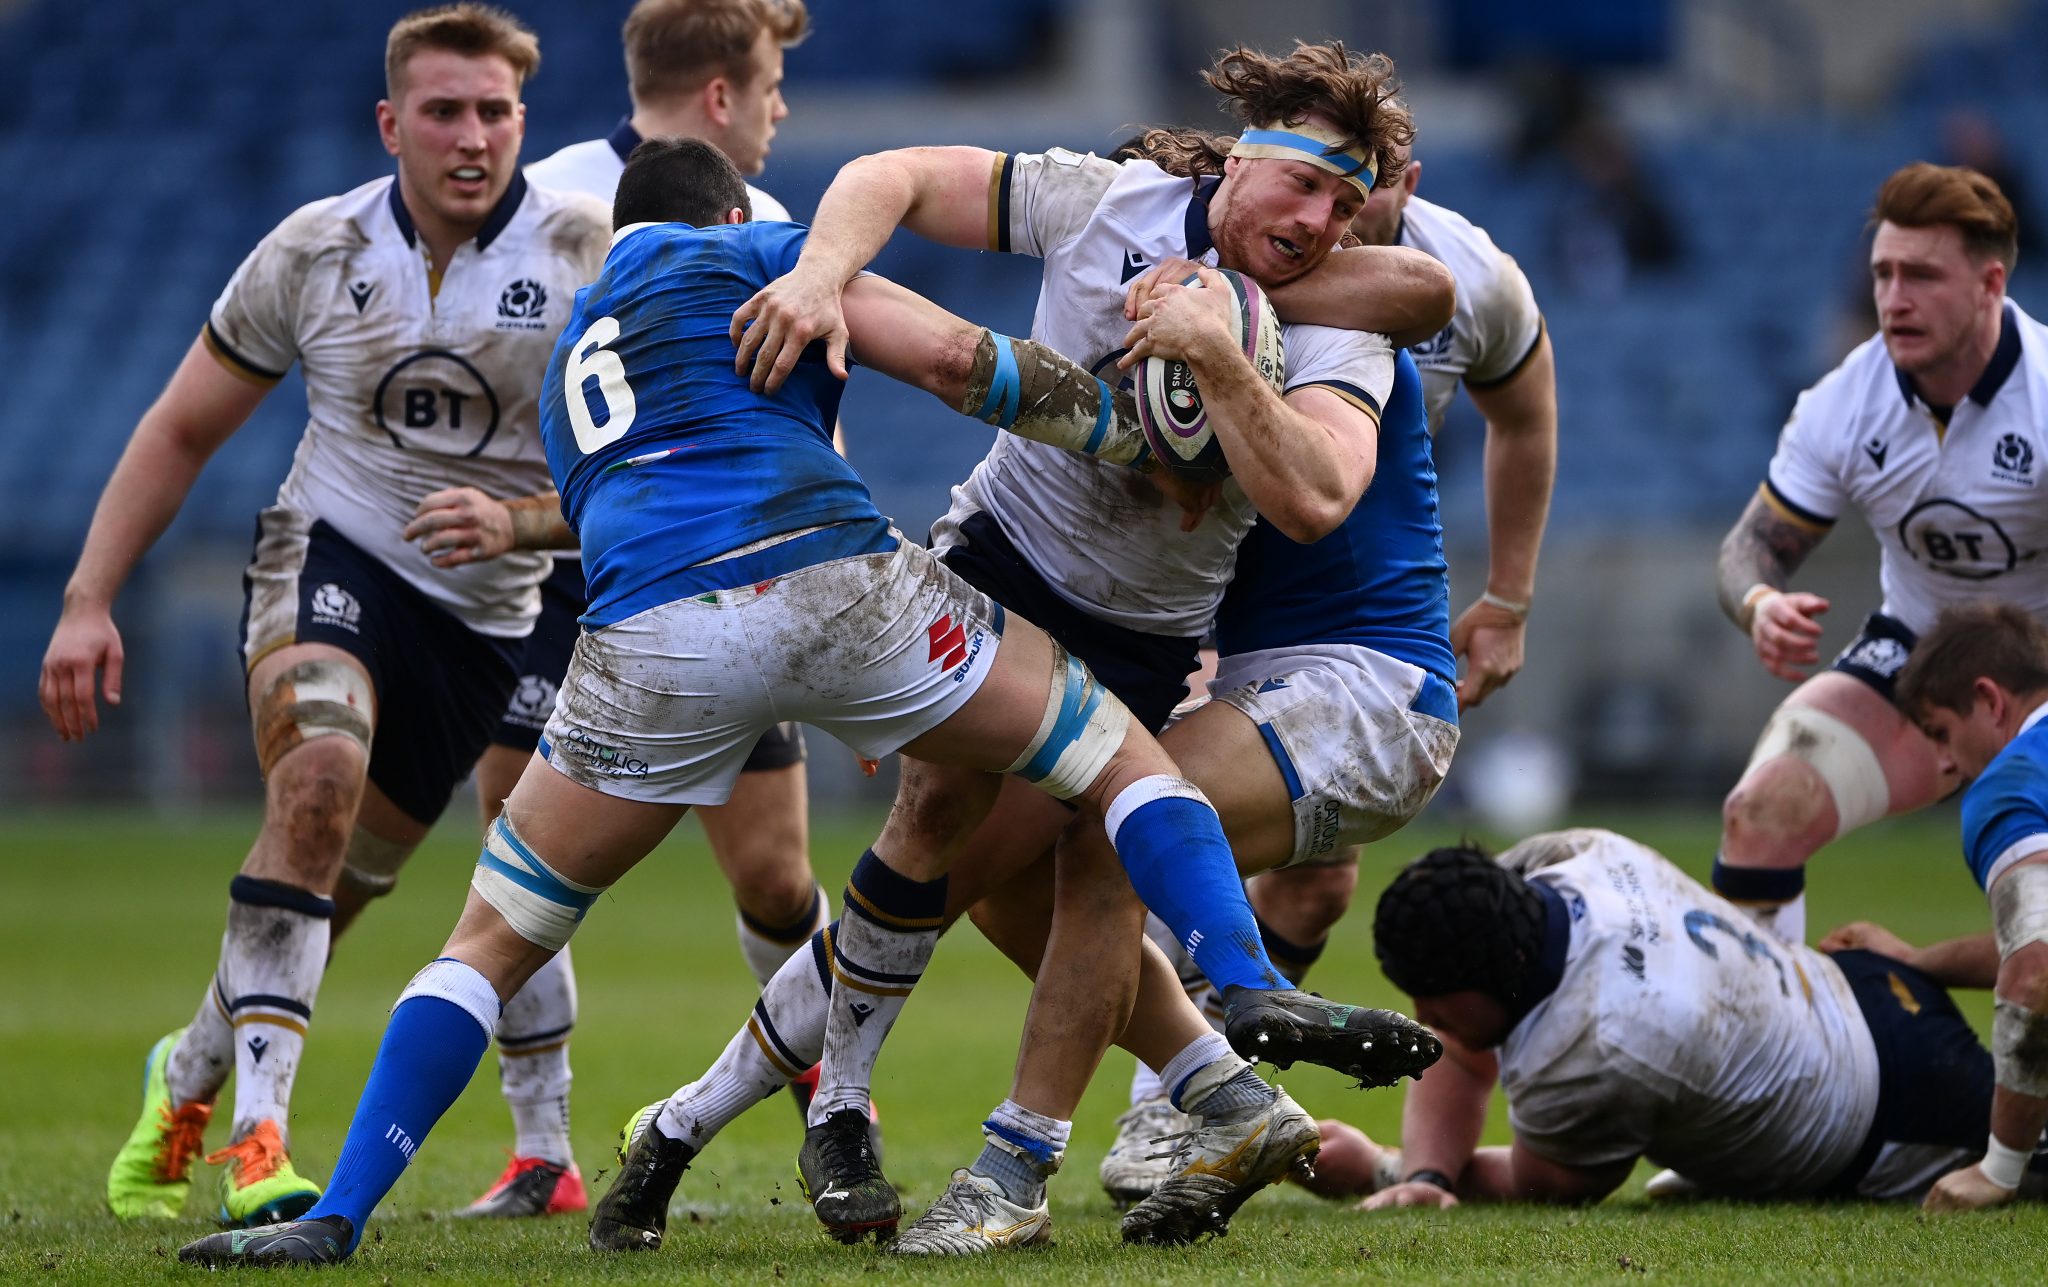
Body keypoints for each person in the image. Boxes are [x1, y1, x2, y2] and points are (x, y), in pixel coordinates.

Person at [172, 132, 1320, 1268]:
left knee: (486, 943)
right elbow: (956, 362)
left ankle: (340, 1212)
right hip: (834, 585)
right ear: (729, 218)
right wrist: (1138, 440)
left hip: (644, 643)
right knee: (1120, 761)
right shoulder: (760, 256)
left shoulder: (575, 350)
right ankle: (1248, 981)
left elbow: (614, 501)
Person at [590, 40, 1455, 1256]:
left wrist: (1211, 341)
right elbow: (888, 173)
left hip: (1151, 639)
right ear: (1243, 155)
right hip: (999, 559)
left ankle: (739, 1126)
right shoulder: (1102, 203)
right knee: (945, 842)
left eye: (1345, 206)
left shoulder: (1343, 322)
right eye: (1304, 186)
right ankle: (1162, 1096)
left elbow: (1327, 478)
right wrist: (819, 277)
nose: (1320, 221)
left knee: (1005, 861)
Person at [40, 5, 612, 1229]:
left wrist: (517, 525)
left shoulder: (585, 255)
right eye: (446, 112)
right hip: (332, 557)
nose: (472, 137)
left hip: (486, 620)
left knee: (339, 886)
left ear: (523, 122)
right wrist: (88, 600)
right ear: (390, 122)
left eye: (496, 112)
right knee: (315, 786)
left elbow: (649, 471)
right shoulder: (314, 247)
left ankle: (188, 1067)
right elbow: (182, 427)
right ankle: (257, 1143)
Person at [405, 0, 818, 1221]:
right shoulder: (548, 208)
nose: (782, 108)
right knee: (534, 872)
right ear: (719, 96)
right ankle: (545, 1155)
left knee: (764, 874)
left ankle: (826, 1096)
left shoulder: (543, 197)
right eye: (775, 82)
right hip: (584, 584)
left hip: (677, 574)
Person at [1101, 133, 1557, 1207]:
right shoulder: (1247, 263)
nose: (1335, 220)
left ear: (1409, 184)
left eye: (1365, 192)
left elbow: (1524, 411)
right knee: (1151, 838)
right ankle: (1193, 1106)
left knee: (1140, 831)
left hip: (1352, 619)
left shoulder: (1462, 280)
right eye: (1318, 192)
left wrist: (1509, 599)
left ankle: (1171, 1111)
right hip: (1235, 590)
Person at [1308, 829, 2024, 1208]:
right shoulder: (1568, 858)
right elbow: (1462, 1044)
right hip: (1860, 985)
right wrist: (1428, 1176)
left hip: (1902, 1105)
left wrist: (1382, 1170)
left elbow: (1548, 1183)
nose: (1421, 1015)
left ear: (1499, 971)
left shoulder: (1601, 1046)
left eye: (1432, 995)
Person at [1712, 162, 2048, 945]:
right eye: (1883, 273)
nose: (1894, 298)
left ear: (1990, 282)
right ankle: (1771, 1056)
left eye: (1923, 275)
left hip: (2040, 674)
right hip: (1922, 655)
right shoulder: (1843, 403)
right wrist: (1761, 603)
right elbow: (1750, 548)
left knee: (2034, 930)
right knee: (1760, 814)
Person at [1878, 600, 2048, 1210]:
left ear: (1990, 699)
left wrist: (1999, 1169)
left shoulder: (2011, 783)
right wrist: (1914, 959)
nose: (1945, 764)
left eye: (1940, 733)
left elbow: (2035, 975)